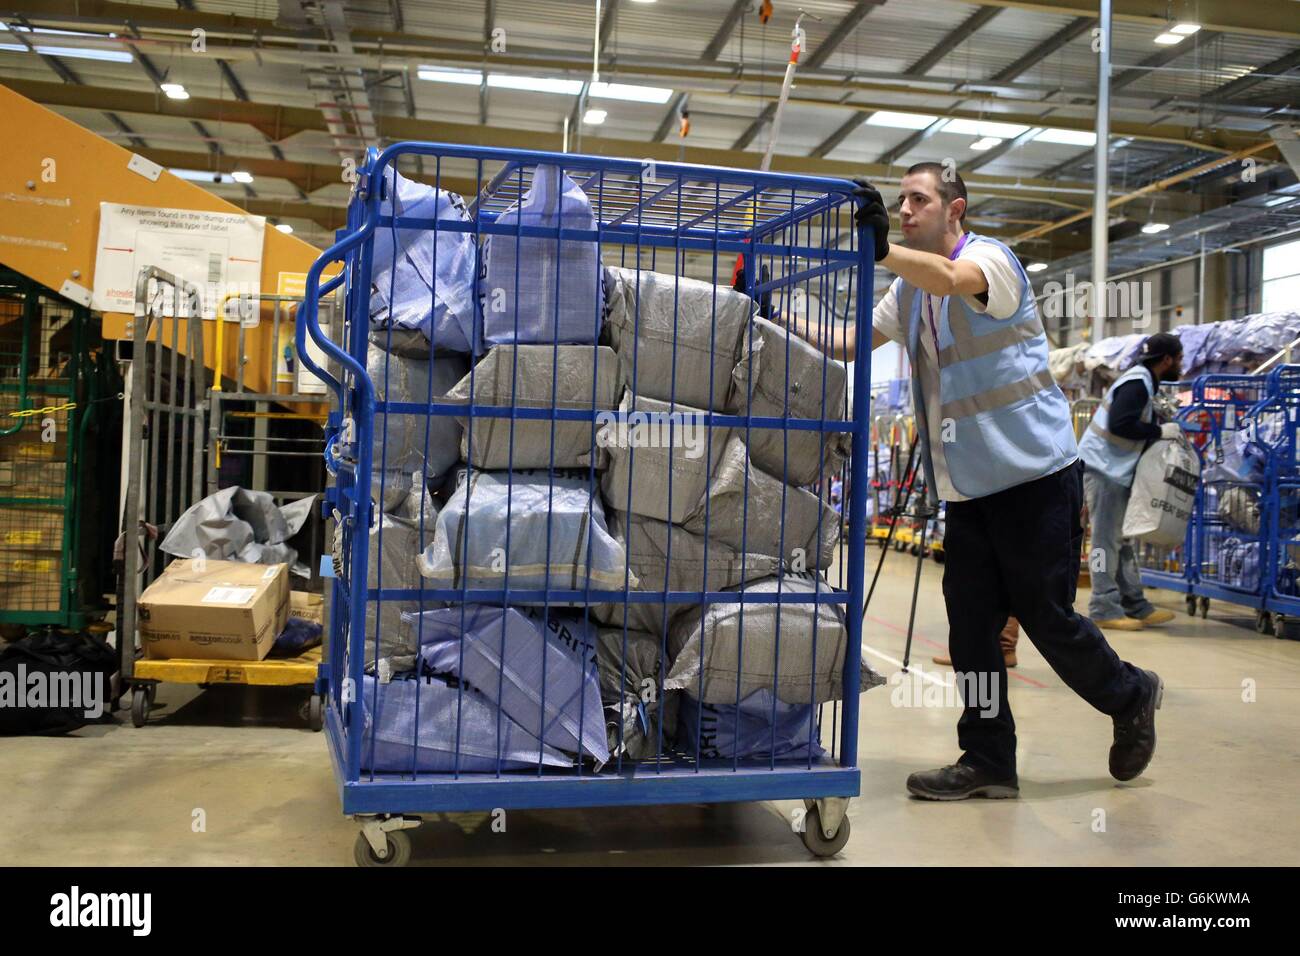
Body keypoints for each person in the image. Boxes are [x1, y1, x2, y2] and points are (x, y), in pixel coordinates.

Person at [781, 163, 1163, 800]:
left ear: (955, 210)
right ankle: (988, 760)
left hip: (1034, 476)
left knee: (1045, 616)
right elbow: (848, 342)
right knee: (970, 630)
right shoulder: (907, 292)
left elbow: (956, 280)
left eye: (919, 200)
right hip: (968, 490)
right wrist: (780, 314)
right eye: (901, 200)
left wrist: (886, 251)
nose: (906, 209)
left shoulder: (993, 262)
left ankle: (1130, 695)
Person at [1077, 334, 1184, 630]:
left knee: (1120, 540)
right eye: (1179, 359)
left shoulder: (1143, 381)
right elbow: (1120, 424)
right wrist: (1158, 432)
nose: (1181, 365)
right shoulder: (1137, 383)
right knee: (1104, 541)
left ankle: (1134, 604)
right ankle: (1103, 606)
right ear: (1166, 360)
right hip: (1103, 469)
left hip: (1114, 469)